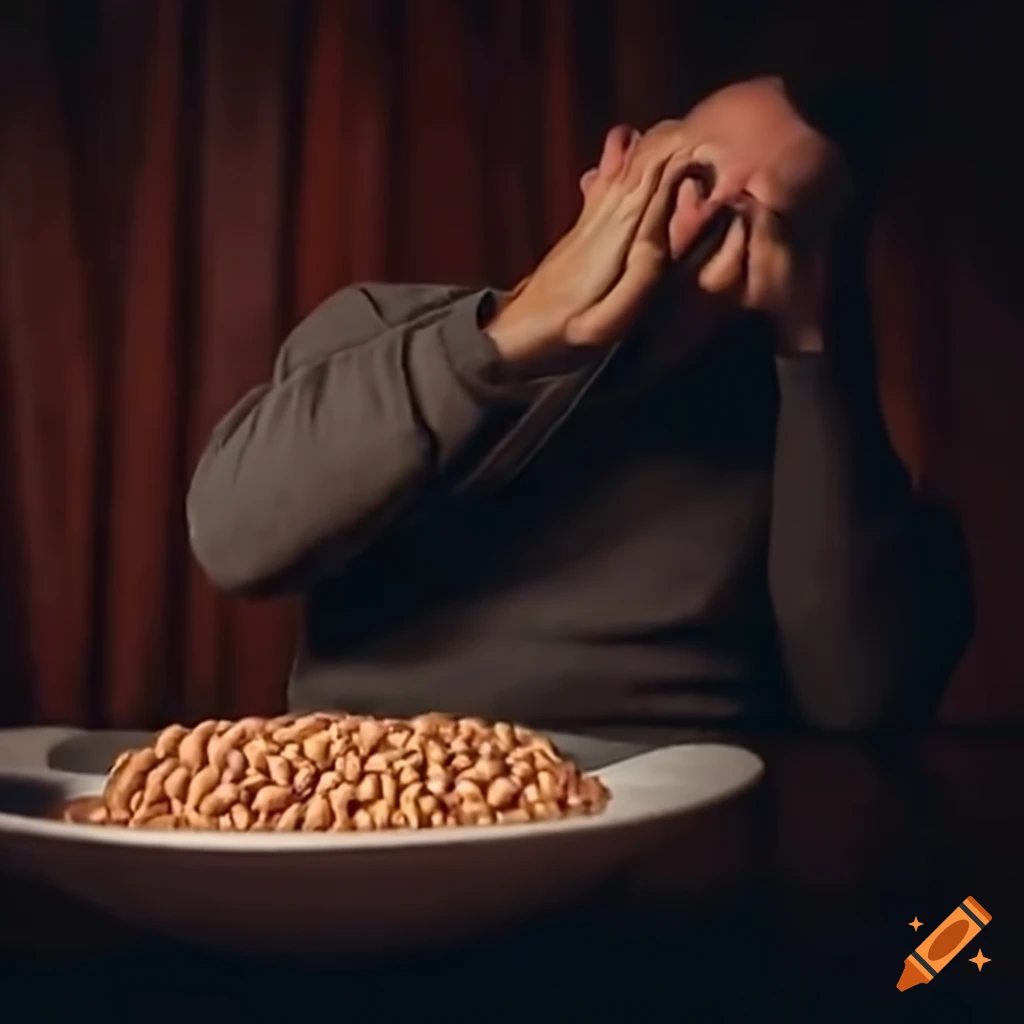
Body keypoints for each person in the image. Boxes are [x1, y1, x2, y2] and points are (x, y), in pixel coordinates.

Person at [187, 76, 973, 735]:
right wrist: (519, 333)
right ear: (613, 168)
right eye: (688, 179)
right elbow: (233, 536)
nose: (697, 223)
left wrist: (807, 336)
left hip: (673, 845)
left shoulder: (796, 436)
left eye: (761, 223)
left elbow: (863, 700)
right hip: (377, 823)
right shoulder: (380, 329)